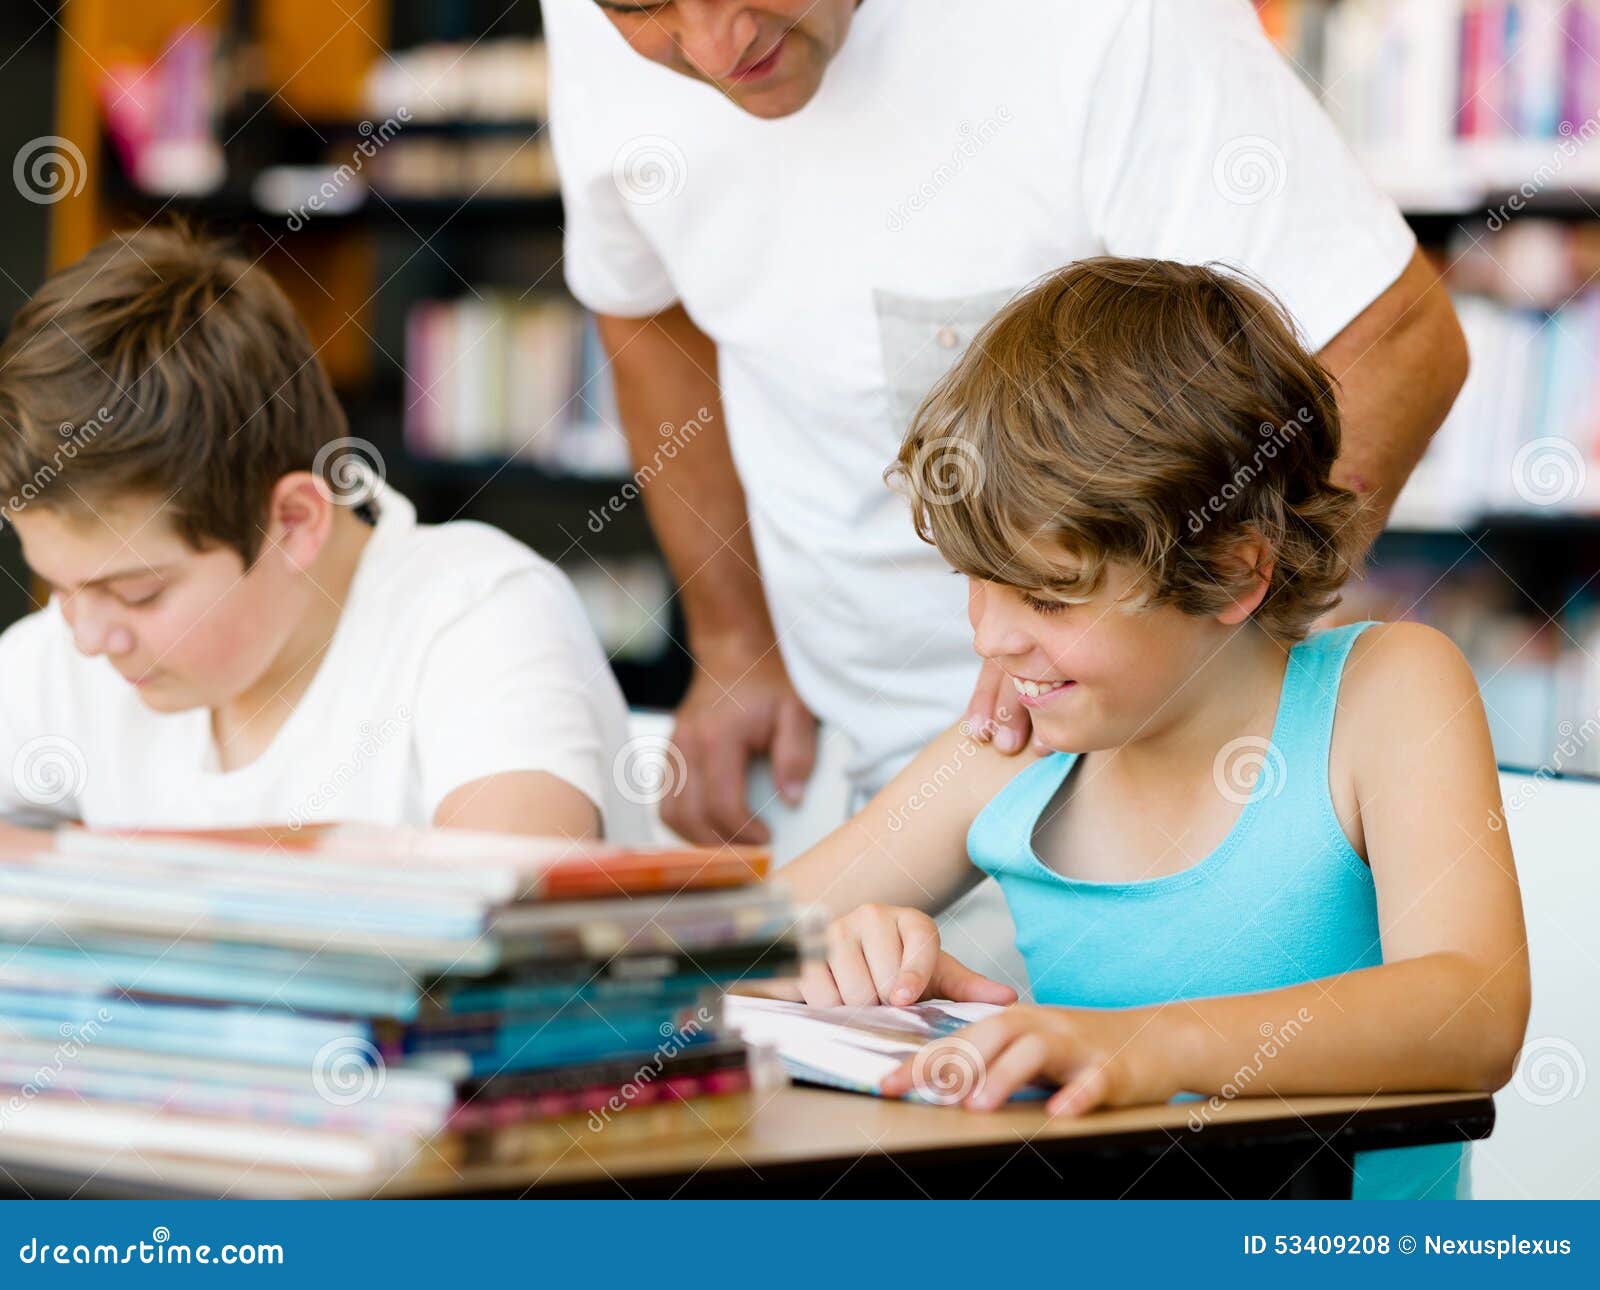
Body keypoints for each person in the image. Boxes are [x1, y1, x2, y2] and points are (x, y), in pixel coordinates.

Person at [542, 0, 1467, 856]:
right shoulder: (594, 29)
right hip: (872, 778)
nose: (713, 46)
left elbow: (1396, 343)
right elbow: (643, 301)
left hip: (1153, 782)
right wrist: (736, 638)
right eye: (641, 6)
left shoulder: (1108, 24)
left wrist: (1184, 661)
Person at [762, 258, 1528, 1200]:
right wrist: (831, 959)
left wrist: (1148, 1044)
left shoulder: (1383, 695)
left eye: (1049, 595)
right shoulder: (1009, 748)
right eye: (975, 581)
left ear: (1236, 573)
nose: (990, 638)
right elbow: (680, 969)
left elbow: (1475, 1013)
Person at [0, 227, 647, 842]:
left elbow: (513, 920)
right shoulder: (71, 652)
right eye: (59, 587)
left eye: (138, 592)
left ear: (294, 522)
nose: (87, 636)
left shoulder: (480, 618)